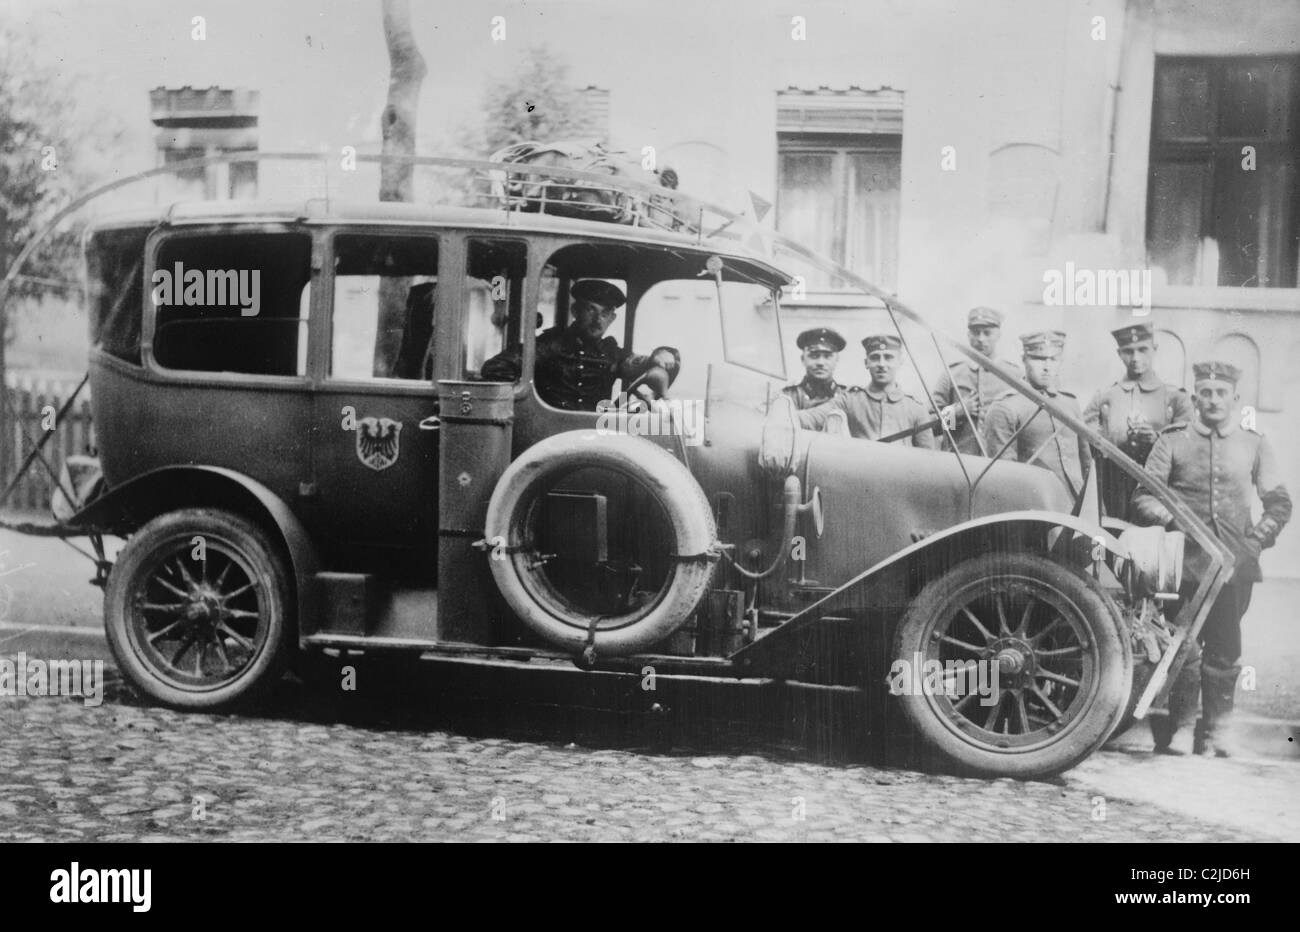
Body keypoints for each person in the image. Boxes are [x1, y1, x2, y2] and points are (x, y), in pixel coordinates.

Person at [1131, 361, 1291, 756]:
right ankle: (1181, 729)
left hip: (1234, 571)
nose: (1214, 400)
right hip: (1182, 567)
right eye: (1206, 392)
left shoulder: (1254, 444)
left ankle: (1218, 731)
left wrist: (1255, 541)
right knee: (1180, 650)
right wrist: (1173, 521)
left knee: (1224, 650)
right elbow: (1142, 495)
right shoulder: (1172, 441)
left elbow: (1279, 503)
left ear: (1235, 399)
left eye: (1222, 393)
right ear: (1195, 396)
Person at [480, 279, 680, 411]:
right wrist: (523, 402)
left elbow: (639, 364)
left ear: (612, 318)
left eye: (605, 314)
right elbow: (495, 368)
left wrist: (661, 354)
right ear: (575, 311)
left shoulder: (612, 354)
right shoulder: (550, 345)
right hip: (548, 434)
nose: (598, 321)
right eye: (591, 310)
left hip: (591, 433)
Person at [1083, 322, 1193, 520]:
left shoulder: (1175, 398)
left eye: (1142, 350)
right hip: (1112, 492)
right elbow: (1084, 441)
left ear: (1154, 350)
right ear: (1119, 354)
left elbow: (1189, 448)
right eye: (1128, 352)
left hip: (1159, 494)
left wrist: (1157, 440)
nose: (1135, 358)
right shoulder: (1104, 397)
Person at [981, 330, 1088, 497]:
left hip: (1078, 505)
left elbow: (1086, 465)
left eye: (1053, 359)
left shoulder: (1070, 404)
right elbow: (1004, 480)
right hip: (1037, 507)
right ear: (1024, 360)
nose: (1047, 367)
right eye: (1038, 359)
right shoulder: (1006, 408)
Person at [795, 334, 936, 448]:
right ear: (866, 363)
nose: (881, 364)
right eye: (875, 358)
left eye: (888, 357)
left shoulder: (916, 409)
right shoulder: (849, 400)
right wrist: (781, 409)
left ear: (900, 362)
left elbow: (929, 461)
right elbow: (810, 419)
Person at [931, 306, 1022, 454]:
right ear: (968, 335)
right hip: (960, 463)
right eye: (975, 333)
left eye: (987, 333)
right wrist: (956, 412)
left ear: (998, 335)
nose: (981, 339)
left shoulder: (1014, 375)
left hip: (1001, 465)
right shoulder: (952, 374)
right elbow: (930, 426)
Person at [782, 327, 849, 410]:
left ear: (836, 359)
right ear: (803, 359)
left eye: (827, 356)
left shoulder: (847, 397)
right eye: (814, 356)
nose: (820, 363)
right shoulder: (788, 397)